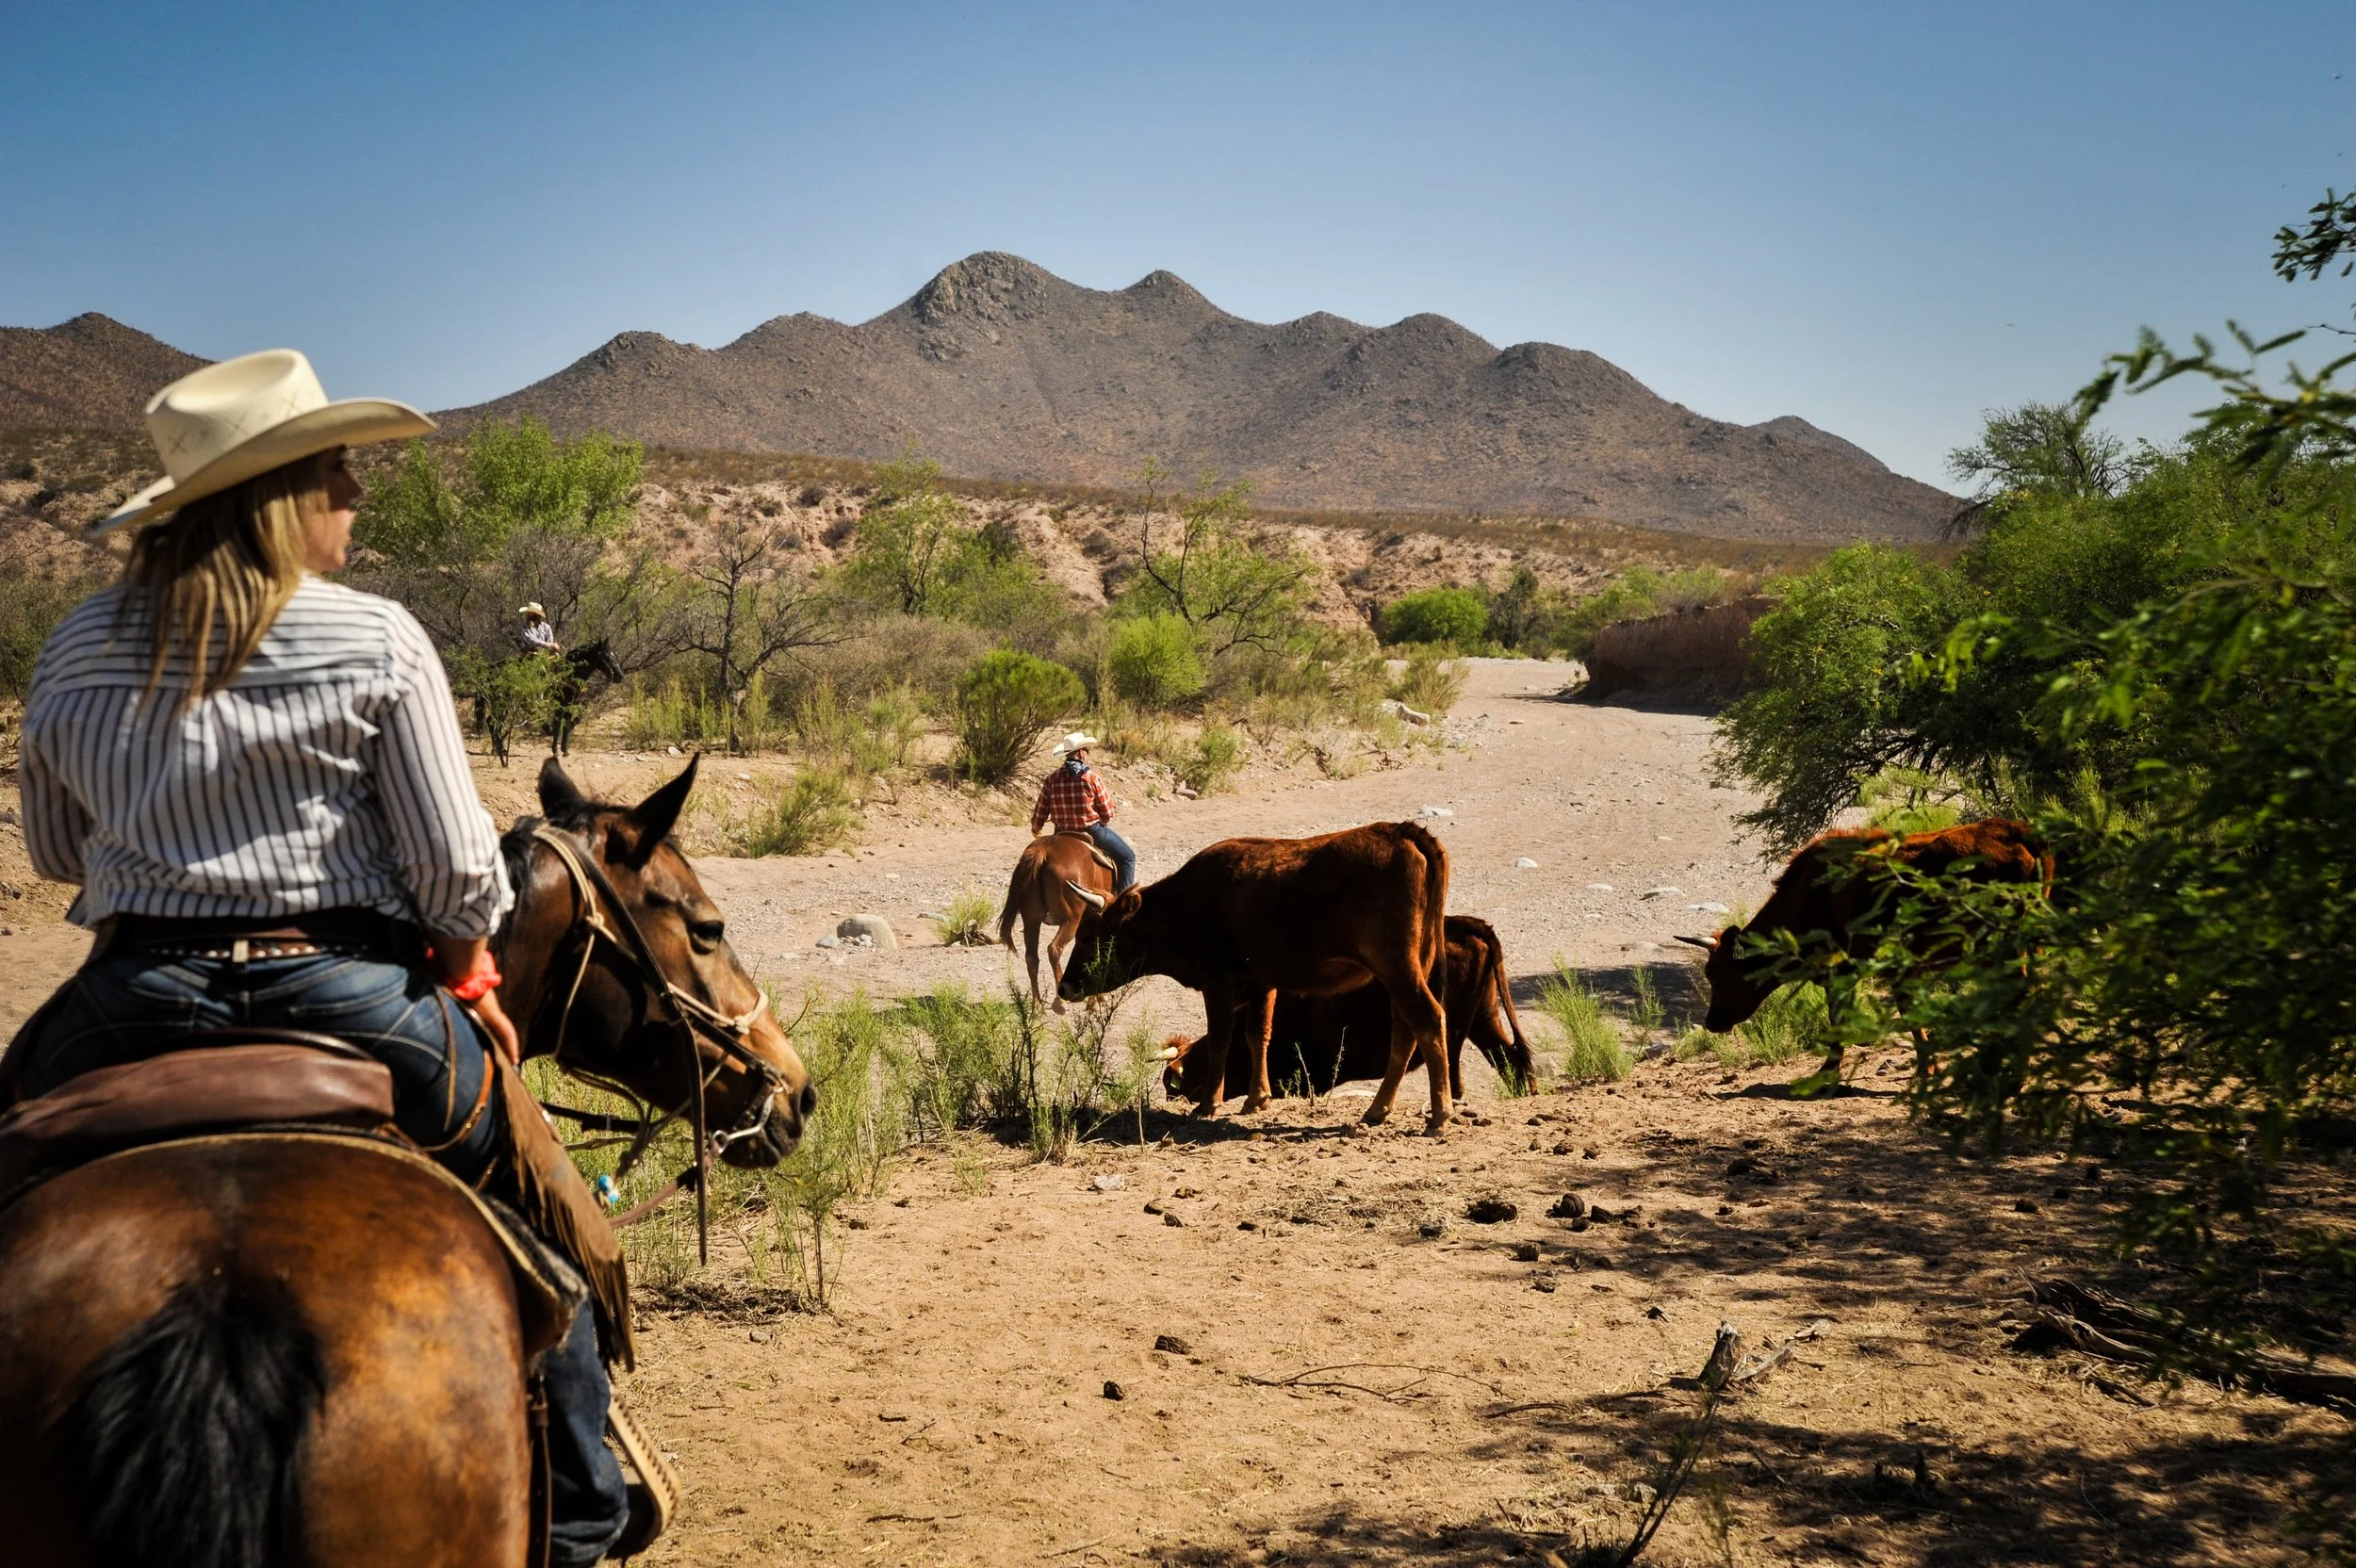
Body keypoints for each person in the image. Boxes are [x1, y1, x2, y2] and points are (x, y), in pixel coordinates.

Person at [7, 351, 640, 1564]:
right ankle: (582, 1491)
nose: (356, 489)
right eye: (338, 468)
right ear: (279, 493)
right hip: (355, 991)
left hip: (129, 993)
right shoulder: (378, 637)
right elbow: (460, 873)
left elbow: (51, 850)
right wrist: (471, 972)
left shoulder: (76, 644)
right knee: (533, 1198)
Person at [1029, 731, 1137, 892]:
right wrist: (1101, 817)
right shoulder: (1092, 778)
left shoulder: (1052, 779)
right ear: (1081, 753)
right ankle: (1124, 899)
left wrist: (1036, 827)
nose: (1087, 754)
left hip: (1061, 833)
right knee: (1128, 858)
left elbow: (1040, 812)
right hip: (1092, 832)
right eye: (1087, 750)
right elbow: (1108, 812)